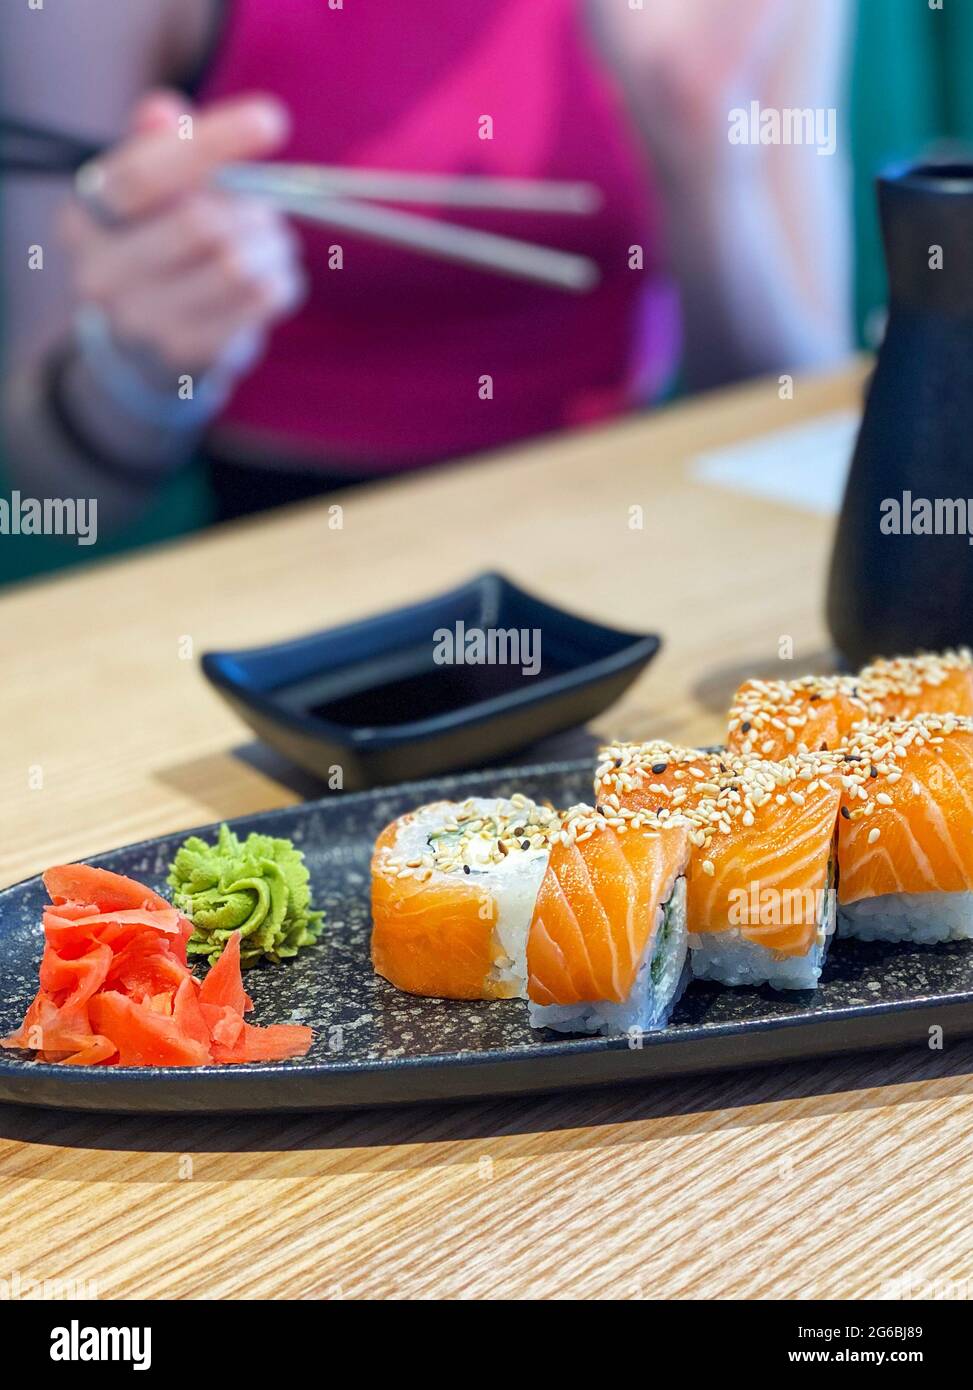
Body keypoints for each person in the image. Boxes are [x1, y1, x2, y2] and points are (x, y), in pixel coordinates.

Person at [0, 0, 851, 531]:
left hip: (628, 544)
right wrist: (144, 368)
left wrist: (700, 141)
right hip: (286, 578)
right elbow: (55, 483)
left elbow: (793, 409)